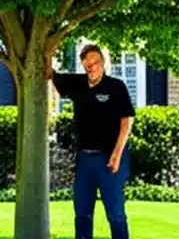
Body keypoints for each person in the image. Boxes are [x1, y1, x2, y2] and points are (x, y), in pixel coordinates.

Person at [49, 44, 135, 239]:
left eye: (95, 63)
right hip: (85, 160)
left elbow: (127, 121)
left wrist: (116, 155)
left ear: (102, 64)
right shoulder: (78, 84)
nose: (92, 67)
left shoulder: (116, 87)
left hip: (110, 160)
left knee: (115, 214)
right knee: (82, 213)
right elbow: (52, 74)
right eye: (87, 64)